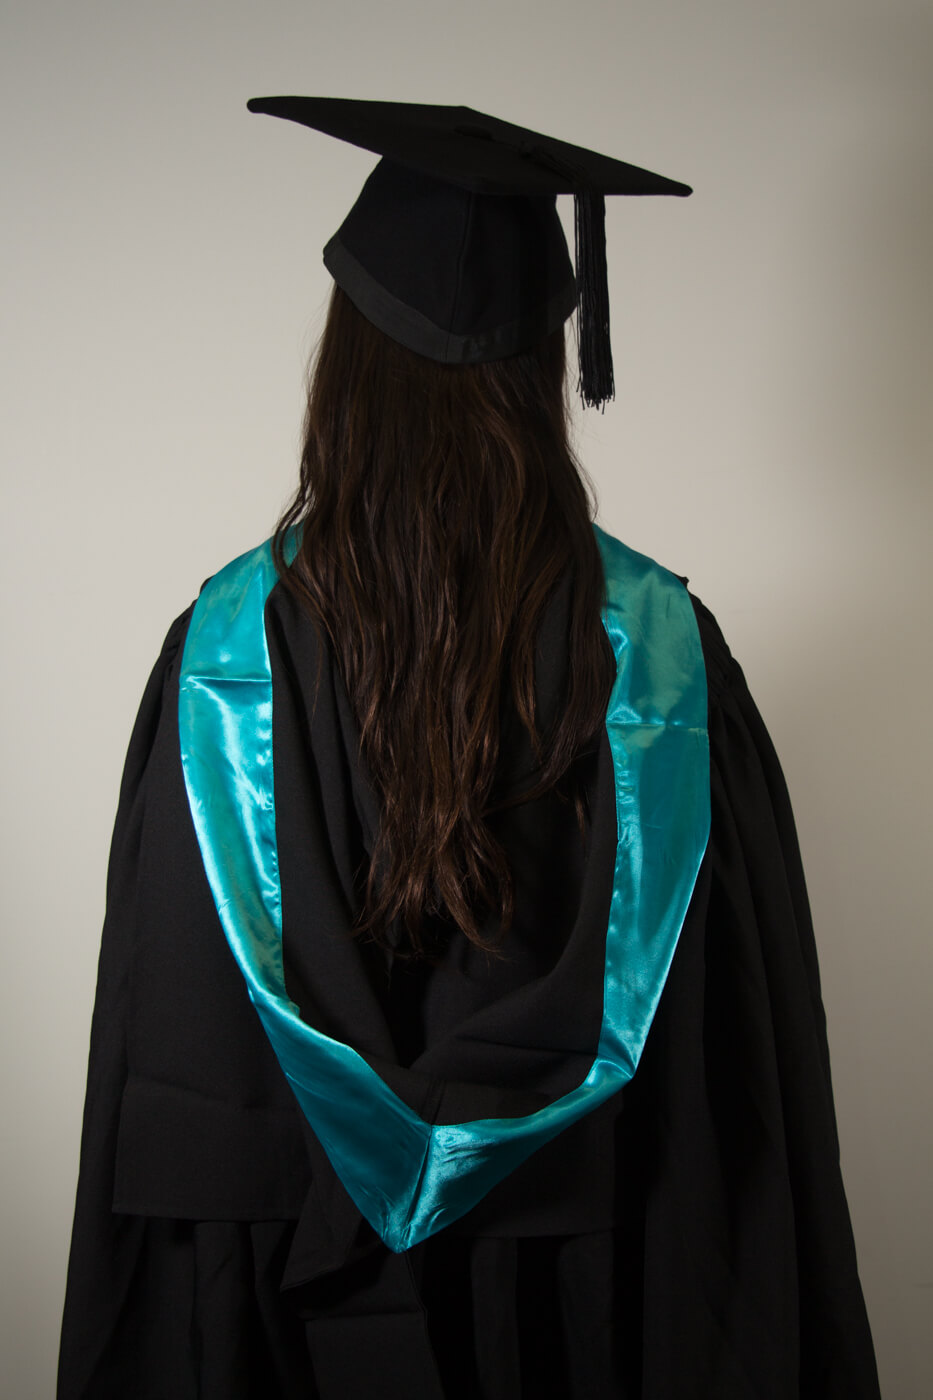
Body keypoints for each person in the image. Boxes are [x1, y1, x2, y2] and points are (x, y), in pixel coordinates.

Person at [58, 99, 881, 1399]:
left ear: (345, 360)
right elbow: (734, 1048)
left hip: (298, 1282)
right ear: (539, 362)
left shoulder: (230, 655)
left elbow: (180, 1039)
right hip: (608, 1272)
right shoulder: (659, 657)